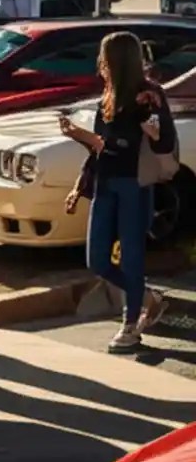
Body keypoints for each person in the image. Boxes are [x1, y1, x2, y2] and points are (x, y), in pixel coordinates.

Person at [61, 32, 175, 351]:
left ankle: (130, 324)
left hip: (135, 184)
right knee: (96, 259)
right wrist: (79, 186)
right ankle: (147, 297)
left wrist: (150, 132)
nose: (100, 64)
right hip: (106, 184)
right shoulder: (107, 97)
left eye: (105, 58)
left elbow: (162, 142)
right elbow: (100, 149)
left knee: (132, 258)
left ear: (118, 60)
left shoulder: (148, 95)